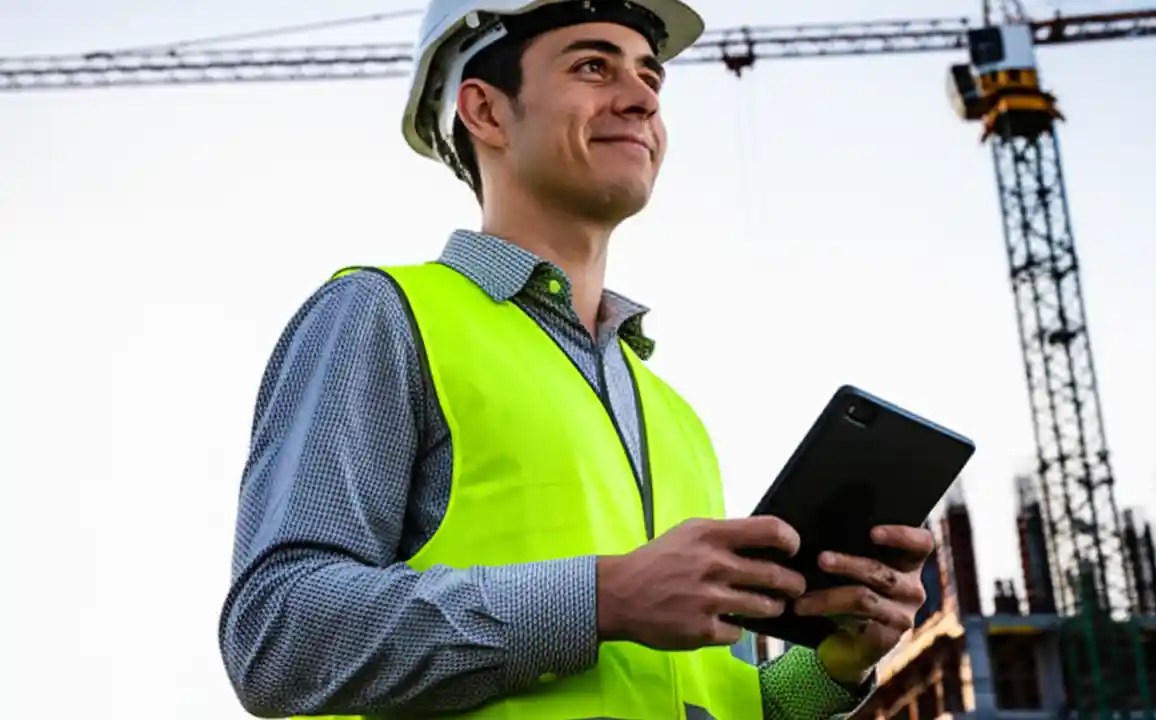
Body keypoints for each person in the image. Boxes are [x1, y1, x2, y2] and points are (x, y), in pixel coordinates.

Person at [217, 0, 935, 717]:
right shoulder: (383, 316)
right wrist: (603, 598)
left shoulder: (673, 417)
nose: (643, 97)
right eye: (593, 65)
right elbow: (278, 638)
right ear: (486, 111)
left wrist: (834, 669)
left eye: (651, 75)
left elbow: (707, 700)